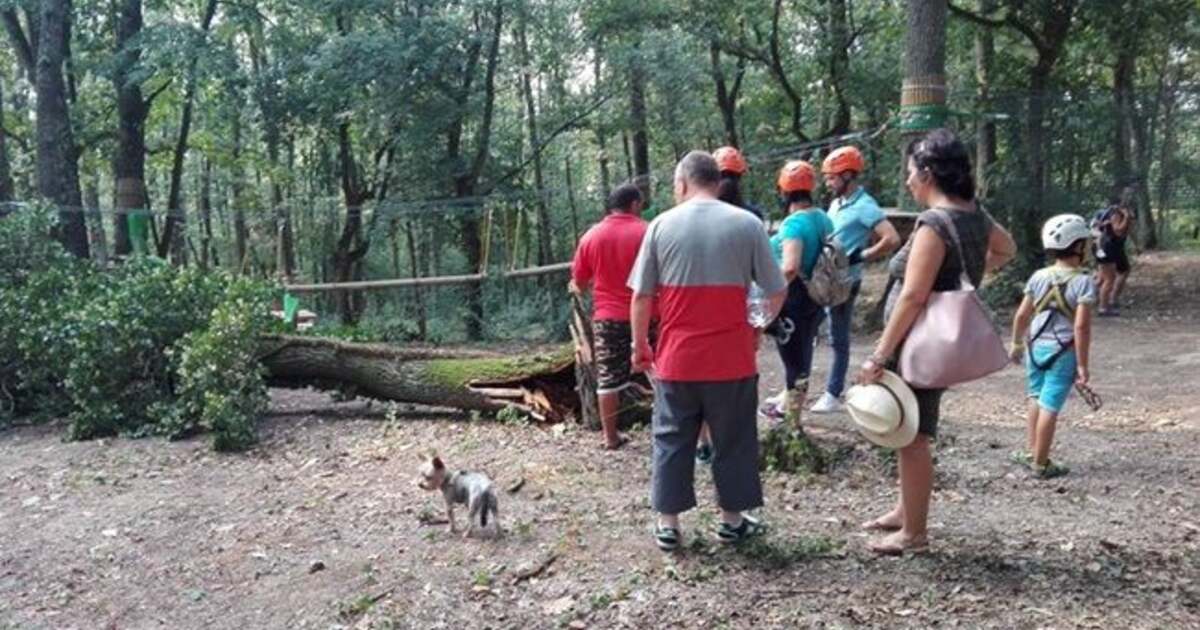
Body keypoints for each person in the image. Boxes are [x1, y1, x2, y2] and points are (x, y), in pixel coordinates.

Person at [857, 128, 1016, 555]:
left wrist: (879, 355)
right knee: (908, 429)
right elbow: (1007, 250)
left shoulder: (934, 223)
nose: (908, 180)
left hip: (916, 343)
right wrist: (970, 272)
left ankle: (914, 534)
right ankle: (904, 510)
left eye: (911, 171)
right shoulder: (974, 213)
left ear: (928, 173)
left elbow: (913, 296)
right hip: (934, 341)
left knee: (913, 438)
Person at [628, 151, 787, 551]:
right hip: (732, 358)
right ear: (717, 182)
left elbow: (642, 297)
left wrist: (640, 345)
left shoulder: (661, 225)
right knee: (733, 439)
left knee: (671, 439)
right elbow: (776, 289)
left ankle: (668, 525)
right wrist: (757, 325)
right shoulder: (748, 224)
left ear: (682, 183)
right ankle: (732, 520)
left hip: (677, 358)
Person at [812, 146, 901, 414]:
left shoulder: (865, 206)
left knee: (838, 337)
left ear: (848, 175)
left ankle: (832, 393)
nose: (828, 183)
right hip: (826, 278)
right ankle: (797, 388)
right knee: (809, 329)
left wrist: (861, 255)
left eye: (832, 178)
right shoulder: (837, 203)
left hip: (845, 281)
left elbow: (892, 238)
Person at [1009, 214, 1095, 479]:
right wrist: (1082, 365)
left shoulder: (1038, 276)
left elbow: (1022, 315)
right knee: (1050, 406)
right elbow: (1081, 326)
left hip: (1035, 347)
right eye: (1086, 243)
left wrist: (1016, 343)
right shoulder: (1084, 281)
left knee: (1035, 396)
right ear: (1078, 246)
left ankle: (1032, 450)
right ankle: (1041, 463)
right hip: (1063, 352)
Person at [693, 146, 761, 464]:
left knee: (699, 378)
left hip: (698, 305)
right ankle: (731, 443)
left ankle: (703, 442)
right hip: (740, 306)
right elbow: (762, 275)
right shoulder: (752, 218)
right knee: (734, 377)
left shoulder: (693, 216)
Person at [569, 183, 651, 450]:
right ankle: (674, 430)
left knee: (608, 379)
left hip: (608, 318)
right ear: (635, 204)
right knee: (663, 371)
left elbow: (579, 283)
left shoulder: (591, 237)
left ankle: (610, 437)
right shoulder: (648, 231)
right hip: (649, 314)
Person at [757, 160, 834, 430]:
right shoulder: (822, 217)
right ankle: (791, 412)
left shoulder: (793, 224)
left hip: (794, 301)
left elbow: (790, 267)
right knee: (802, 356)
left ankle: (792, 422)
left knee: (793, 360)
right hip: (815, 296)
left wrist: (768, 290)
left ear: (784, 192)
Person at [1093, 193, 1132, 316]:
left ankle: (1086, 298)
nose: (1129, 198)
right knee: (1109, 279)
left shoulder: (1119, 212)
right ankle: (1103, 308)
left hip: (1107, 248)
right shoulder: (1115, 213)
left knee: (1101, 279)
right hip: (1107, 248)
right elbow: (1118, 230)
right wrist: (1126, 217)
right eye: (1126, 196)